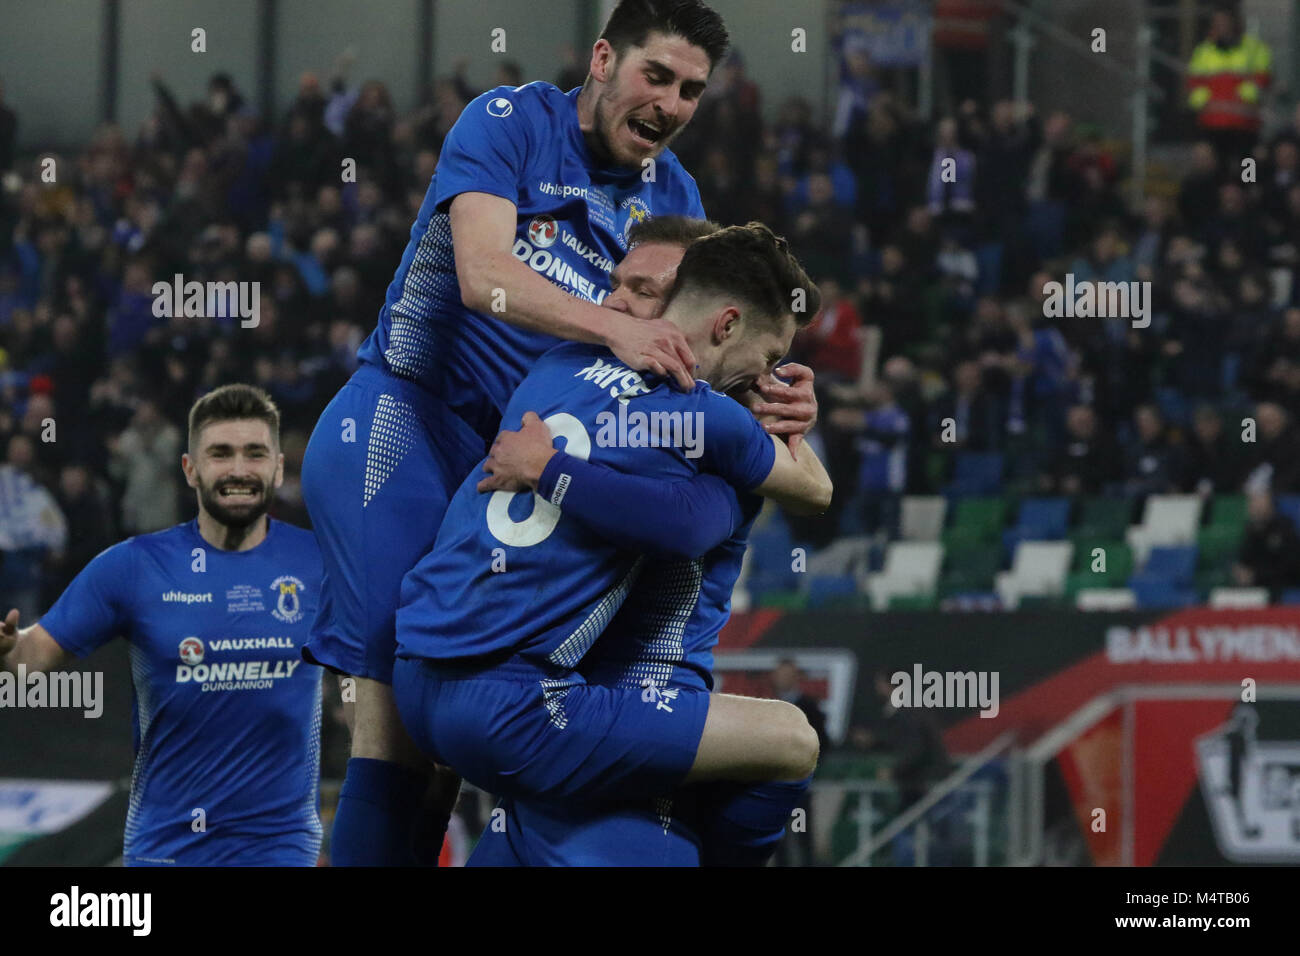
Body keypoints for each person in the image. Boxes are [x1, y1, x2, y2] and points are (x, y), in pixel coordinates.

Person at [300, 0, 735, 866]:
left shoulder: (675, 194)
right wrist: (613, 328)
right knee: (396, 727)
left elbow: (697, 346)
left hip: (507, 469)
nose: (672, 104)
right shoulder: (509, 121)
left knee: (456, 750)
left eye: (691, 90)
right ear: (605, 59)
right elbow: (482, 275)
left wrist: (768, 394)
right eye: (658, 75)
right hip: (401, 426)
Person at [393, 223, 829, 866]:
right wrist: (786, 427)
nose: (765, 379)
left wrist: (547, 469)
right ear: (727, 323)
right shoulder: (705, 417)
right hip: (525, 703)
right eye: (767, 360)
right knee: (793, 737)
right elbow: (761, 507)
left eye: (640, 289)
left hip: (418, 675)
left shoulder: (558, 363)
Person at [0, 385, 326, 866]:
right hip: (167, 851)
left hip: (280, 849)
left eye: (254, 454)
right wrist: (10, 652)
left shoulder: (321, 562)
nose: (239, 470)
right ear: (190, 469)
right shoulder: (132, 567)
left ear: (278, 467)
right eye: (220, 454)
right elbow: (33, 656)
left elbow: (366, 672)